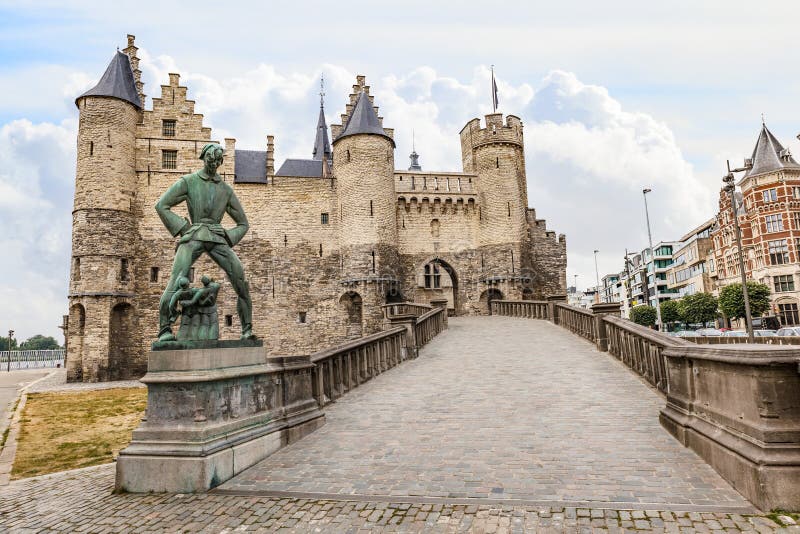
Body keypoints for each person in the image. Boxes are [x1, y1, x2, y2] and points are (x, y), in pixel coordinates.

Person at [155, 143, 254, 342]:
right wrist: (184, 228)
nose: (213, 163)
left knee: (241, 280)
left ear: (220, 162)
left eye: (217, 160)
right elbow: (162, 205)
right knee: (175, 280)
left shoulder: (226, 190)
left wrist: (227, 234)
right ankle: (165, 330)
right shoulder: (189, 181)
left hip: (217, 238)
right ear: (204, 157)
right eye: (210, 159)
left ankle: (247, 330)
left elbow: (243, 224)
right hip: (193, 235)